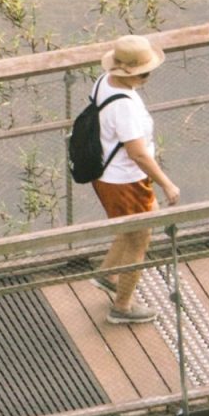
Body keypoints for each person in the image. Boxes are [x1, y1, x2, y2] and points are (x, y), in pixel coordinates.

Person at [87, 34, 182, 328]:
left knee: (133, 228)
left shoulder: (104, 82)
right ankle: (122, 307)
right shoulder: (125, 107)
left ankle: (107, 274)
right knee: (139, 240)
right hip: (124, 181)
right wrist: (167, 183)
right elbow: (138, 154)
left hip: (107, 174)